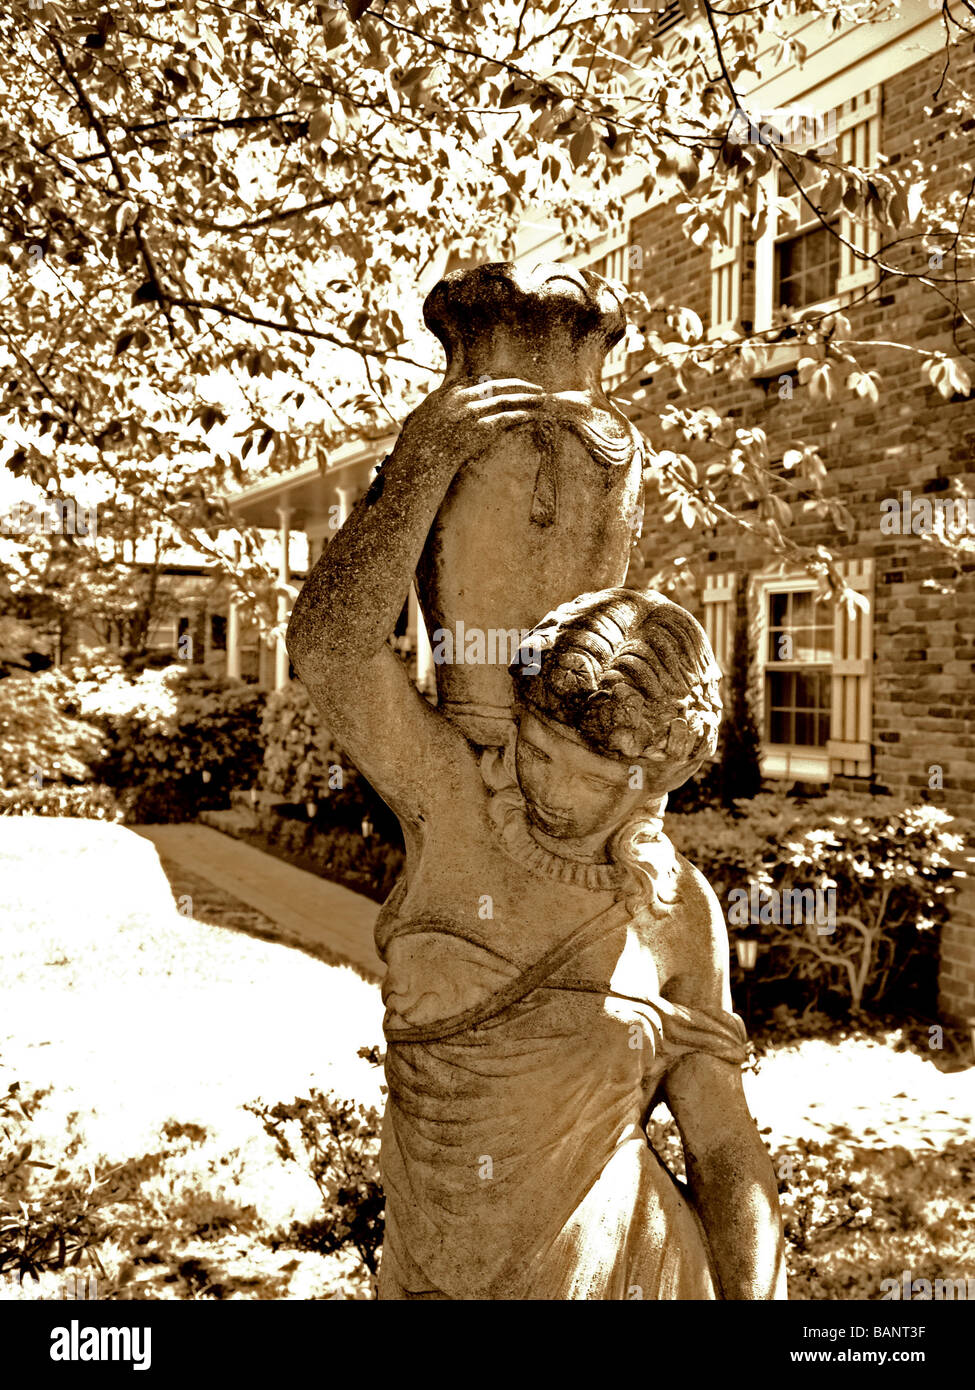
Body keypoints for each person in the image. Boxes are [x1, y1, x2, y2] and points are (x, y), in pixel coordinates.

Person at [287, 379, 787, 1300]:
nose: (545, 786)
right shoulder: (453, 804)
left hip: (617, 1272)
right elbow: (330, 653)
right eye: (537, 749)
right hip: (431, 1262)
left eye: (589, 777)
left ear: (654, 781)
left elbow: (721, 1146)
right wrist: (414, 474)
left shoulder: (672, 912)